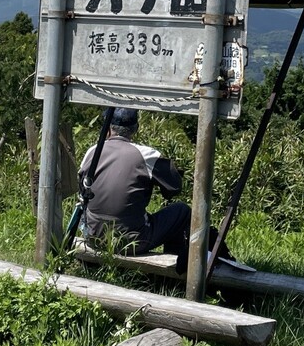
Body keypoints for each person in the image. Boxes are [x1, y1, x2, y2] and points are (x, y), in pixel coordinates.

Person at [78, 107, 233, 273]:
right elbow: (175, 187)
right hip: (131, 241)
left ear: (107, 128)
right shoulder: (146, 155)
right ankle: (172, 273)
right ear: (136, 129)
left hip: (92, 236)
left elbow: (82, 186)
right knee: (181, 212)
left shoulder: (92, 151)